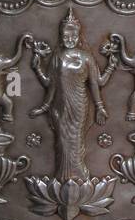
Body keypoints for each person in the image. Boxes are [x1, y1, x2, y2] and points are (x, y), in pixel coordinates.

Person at [30, 9, 108, 183]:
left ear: (78, 36)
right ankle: (62, 176)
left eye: (73, 36)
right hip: (59, 106)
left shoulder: (86, 58)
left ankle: (78, 174)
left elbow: (97, 83)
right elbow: (49, 84)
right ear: (61, 36)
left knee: (75, 139)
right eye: (66, 36)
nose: (69, 40)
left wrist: (100, 107)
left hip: (78, 104)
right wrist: (37, 68)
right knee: (62, 141)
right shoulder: (57, 58)